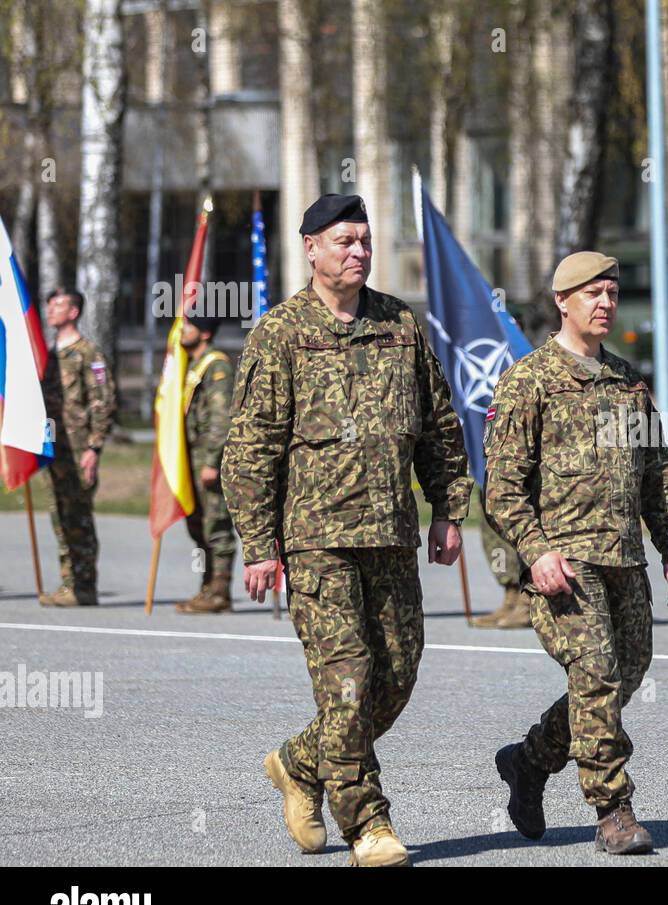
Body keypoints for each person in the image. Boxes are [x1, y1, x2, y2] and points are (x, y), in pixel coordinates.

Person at [223, 194, 471, 866]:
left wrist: (449, 508)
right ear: (310, 248)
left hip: (390, 533)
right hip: (316, 540)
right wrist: (258, 544)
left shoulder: (399, 324)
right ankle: (369, 824)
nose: (358, 252)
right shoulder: (281, 332)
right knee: (348, 681)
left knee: (397, 673)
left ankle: (300, 764)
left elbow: (439, 422)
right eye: (343, 241)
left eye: (364, 241)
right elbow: (250, 448)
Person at [485, 251, 668, 855]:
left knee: (624, 676)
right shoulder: (531, 380)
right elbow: (501, 486)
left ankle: (528, 760)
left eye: (611, 292)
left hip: (625, 558)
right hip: (565, 565)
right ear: (563, 301)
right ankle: (613, 809)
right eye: (592, 294)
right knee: (596, 675)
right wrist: (535, 551)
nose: (605, 304)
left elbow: (659, 473)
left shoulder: (629, 381)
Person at [38, 287, 116, 608]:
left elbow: (103, 402)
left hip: (79, 447)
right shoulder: (47, 355)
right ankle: (69, 581)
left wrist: (93, 449)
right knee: (59, 514)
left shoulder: (88, 354)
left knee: (79, 515)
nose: (51, 310)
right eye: (49, 305)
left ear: (73, 312)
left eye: (58, 305)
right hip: (54, 448)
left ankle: (85, 585)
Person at [175, 312, 237, 613]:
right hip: (192, 456)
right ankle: (206, 586)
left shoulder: (217, 366)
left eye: (188, 326)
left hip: (208, 457)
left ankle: (221, 592)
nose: (181, 330)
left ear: (204, 333)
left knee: (217, 526)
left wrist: (213, 461)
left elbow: (221, 418)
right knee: (198, 526)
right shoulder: (192, 365)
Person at [467, 486, 530, 629]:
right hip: (488, 469)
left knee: (519, 520)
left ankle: (527, 600)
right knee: (493, 529)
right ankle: (511, 599)